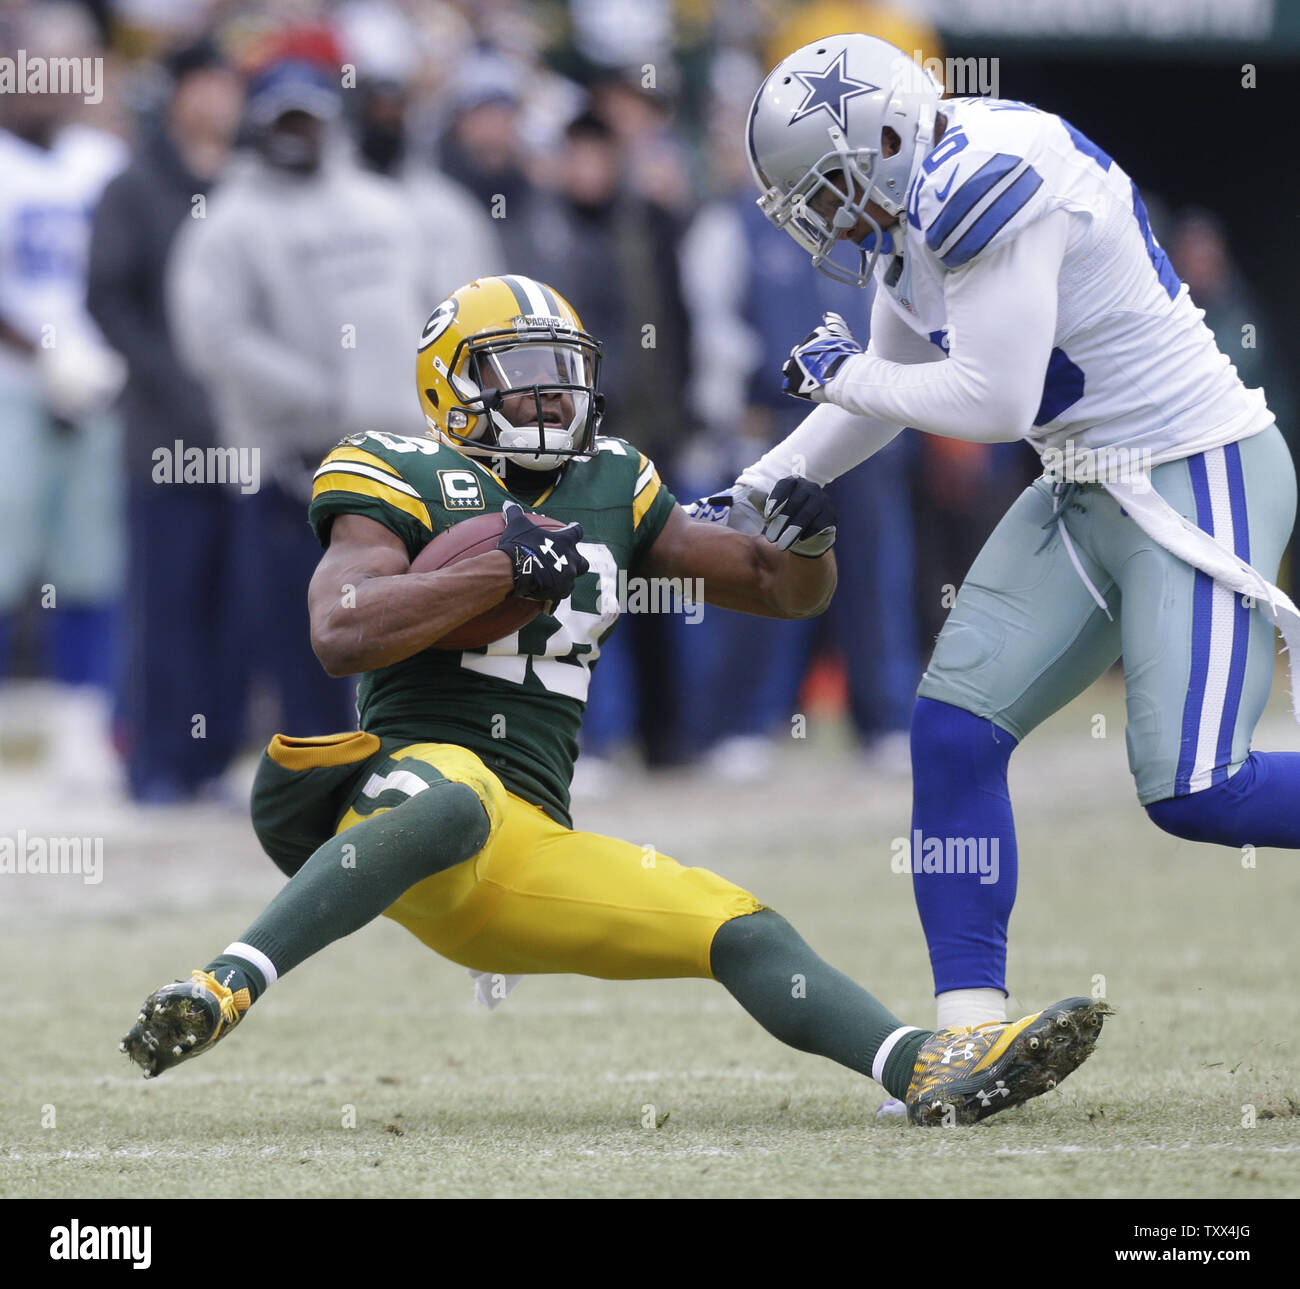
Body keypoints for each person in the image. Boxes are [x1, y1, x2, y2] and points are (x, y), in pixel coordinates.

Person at [120, 274, 1106, 1126]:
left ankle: (920, 1067)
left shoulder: (611, 482)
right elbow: (338, 632)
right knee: (451, 789)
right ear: (448, 386)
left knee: (741, 926)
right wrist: (488, 572)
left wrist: (809, 543)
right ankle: (221, 984)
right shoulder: (399, 467)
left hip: (526, 842)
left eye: (561, 370)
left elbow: (773, 590)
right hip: (410, 805)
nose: (548, 395)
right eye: (515, 371)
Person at [703, 34, 1298, 1037]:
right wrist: (756, 485)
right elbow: (891, 393)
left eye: (830, 187)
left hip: (1197, 466)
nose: (822, 218)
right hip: (1082, 481)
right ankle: (968, 1031)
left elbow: (989, 397)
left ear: (888, 136)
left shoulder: (987, 181)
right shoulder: (920, 190)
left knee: (1200, 787)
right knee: (951, 732)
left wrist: (839, 371)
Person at [86, 40, 246, 803]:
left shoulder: (252, 184)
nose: (218, 101)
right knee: (165, 604)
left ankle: (212, 759)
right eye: (205, 85)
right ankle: (155, 762)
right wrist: (178, 382)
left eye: (227, 85)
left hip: (249, 437)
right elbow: (108, 299)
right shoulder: (135, 187)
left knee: (235, 604)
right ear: (178, 95)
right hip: (164, 437)